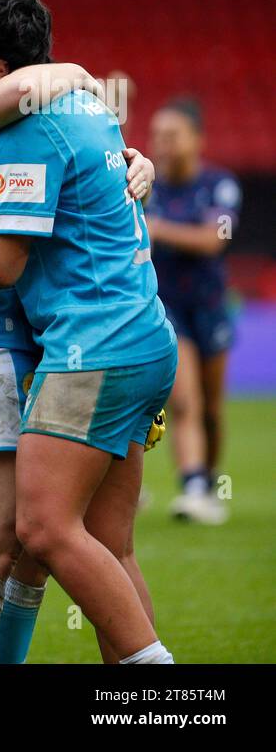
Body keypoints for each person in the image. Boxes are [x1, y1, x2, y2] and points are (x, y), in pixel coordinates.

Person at [0, 0, 177, 664]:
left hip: (75, 343)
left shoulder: (35, 119)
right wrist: (77, 79)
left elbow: (7, 259)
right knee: (13, 543)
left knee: (38, 538)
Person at [145, 98, 240, 525]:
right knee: (184, 400)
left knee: (211, 408)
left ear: (196, 140)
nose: (163, 144)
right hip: (168, 307)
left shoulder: (220, 186)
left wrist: (159, 229)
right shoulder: (145, 187)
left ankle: (209, 477)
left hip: (210, 304)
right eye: (158, 136)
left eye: (172, 135)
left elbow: (215, 239)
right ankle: (193, 487)